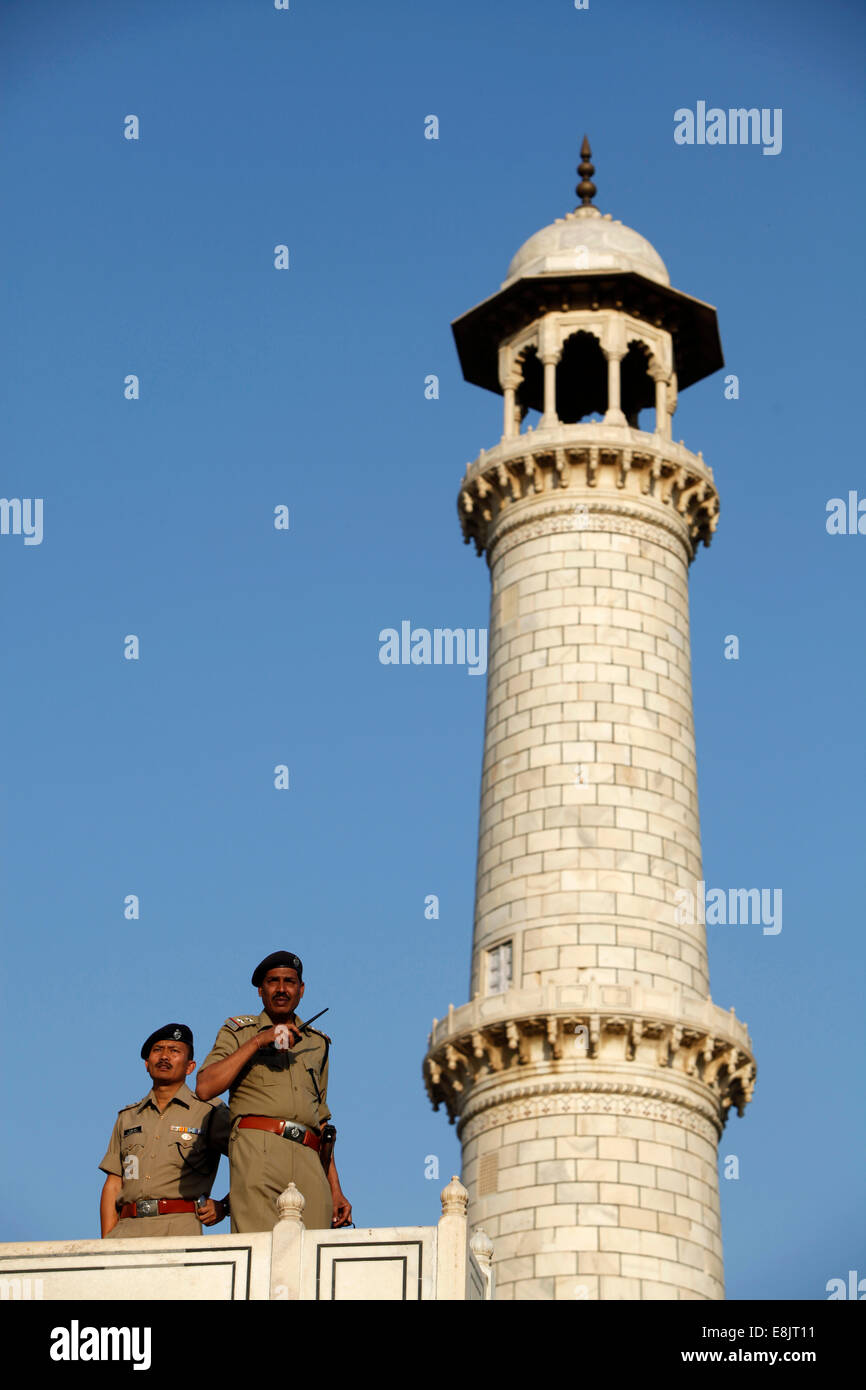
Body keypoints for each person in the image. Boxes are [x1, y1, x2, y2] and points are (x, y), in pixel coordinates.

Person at [196, 951, 352, 1233]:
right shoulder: (239, 1031)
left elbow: (321, 1121)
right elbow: (206, 1086)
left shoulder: (318, 1044)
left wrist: (335, 1189)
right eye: (273, 982)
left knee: (311, 1256)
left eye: (289, 982)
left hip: (309, 1156)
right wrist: (259, 1041)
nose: (282, 989)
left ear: (301, 989)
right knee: (259, 1255)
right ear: (260, 990)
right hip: (259, 1149)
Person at [99, 1024, 231, 1239]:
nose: (164, 1057)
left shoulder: (209, 1112)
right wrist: (107, 1242)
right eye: (158, 1050)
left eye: (174, 1051)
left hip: (179, 1228)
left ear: (190, 1067)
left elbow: (252, 1159)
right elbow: (113, 1184)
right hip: (126, 1230)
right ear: (146, 1063)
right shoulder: (128, 1117)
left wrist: (225, 1206)